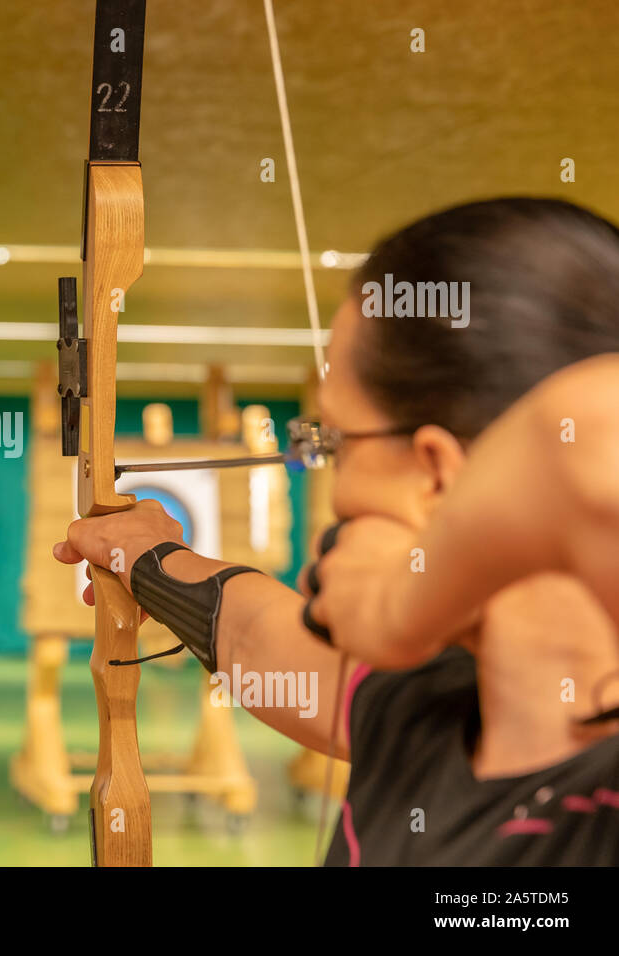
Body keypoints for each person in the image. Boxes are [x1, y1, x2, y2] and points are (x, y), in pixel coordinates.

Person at [55, 197, 619, 865]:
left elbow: (588, 433)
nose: (336, 483)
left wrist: (403, 603)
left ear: (435, 471)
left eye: (338, 443)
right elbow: (254, 634)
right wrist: (146, 555)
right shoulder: (418, 708)